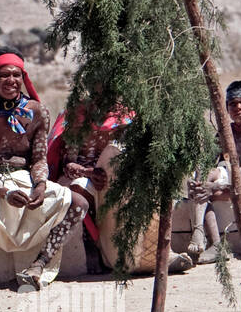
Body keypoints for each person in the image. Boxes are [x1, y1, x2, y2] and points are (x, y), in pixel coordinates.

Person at [0, 49, 85, 295]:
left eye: (17, 75)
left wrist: (41, 185)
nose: (11, 80)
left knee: (77, 203)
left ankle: (39, 266)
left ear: (23, 78)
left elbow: (39, 158)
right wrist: (3, 192)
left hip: (25, 178)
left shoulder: (37, 112)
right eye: (4, 76)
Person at [46, 94, 194, 275]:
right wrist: (88, 172)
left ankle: (159, 253)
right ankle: (93, 249)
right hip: (85, 178)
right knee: (80, 186)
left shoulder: (128, 117)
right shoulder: (77, 117)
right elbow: (67, 164)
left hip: (119, 180)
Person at [186, 80, 241, 264]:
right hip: (232, 177)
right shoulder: (227, 132)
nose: (238, 107)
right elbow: (209, 160)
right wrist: (198, 180)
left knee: (214, 190)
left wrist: (213, 187)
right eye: (232, 104)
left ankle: (214, 242)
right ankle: (202, 233)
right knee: (203, 179)